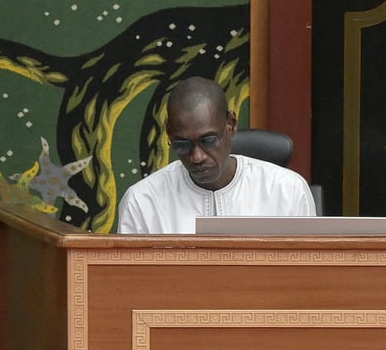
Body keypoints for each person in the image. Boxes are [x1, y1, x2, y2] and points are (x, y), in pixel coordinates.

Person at [117, 77, 316, 233]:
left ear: (231, 124)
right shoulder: (142, 201)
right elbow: (129, 282)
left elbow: (308, 276)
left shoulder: (287, 191)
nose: (196, 157)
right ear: (168, 132)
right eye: (182, 145)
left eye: (208, 141)